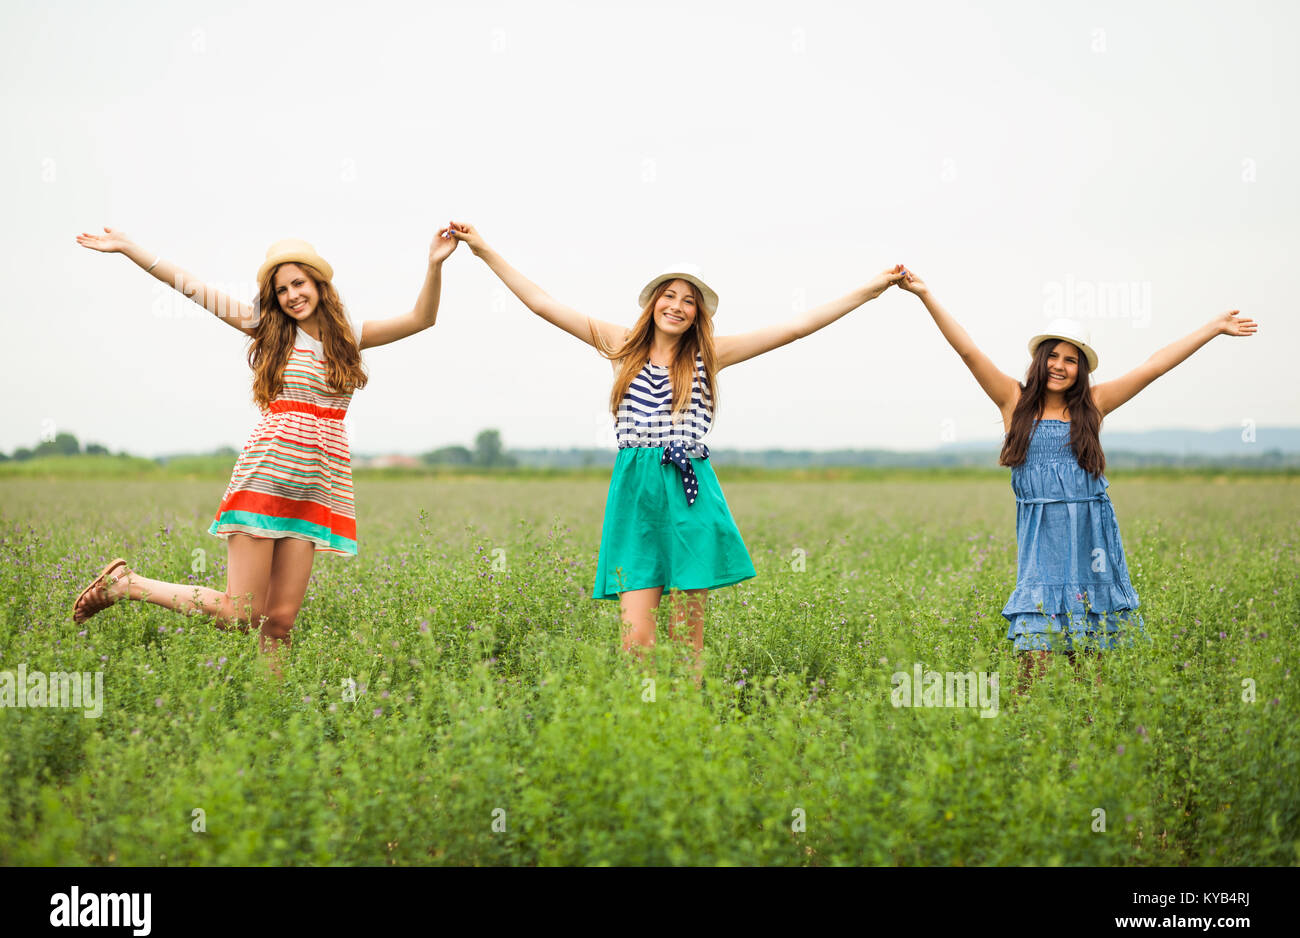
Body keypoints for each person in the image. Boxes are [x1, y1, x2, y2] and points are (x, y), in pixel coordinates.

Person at [448, 220, 903, 678]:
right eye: (671, 295)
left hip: (689, 493)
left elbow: (797, 327)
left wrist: (871, 289)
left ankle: (688, 726)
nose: (679, 306)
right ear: (653, 302)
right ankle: (647, 728)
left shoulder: (709, 356)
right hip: (635, 495)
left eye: (690, 301)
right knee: (637, 640)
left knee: (688, 636)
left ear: (698, 314)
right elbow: (543, 304)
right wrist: (484, 249)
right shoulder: (621, 345)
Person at [70, 226, 458, 673]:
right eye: (281, 289)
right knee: (242, 614)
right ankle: (126, 585)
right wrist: (130, 249)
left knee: (280, 624)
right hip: (267, 477)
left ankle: (271, 723)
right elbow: (195, 288)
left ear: (318, 283)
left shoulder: (348, 336)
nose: (292, 295)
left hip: (316, 490)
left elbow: (422, 318)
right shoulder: (270, 331)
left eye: (299, 283)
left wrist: (434, 264)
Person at [897, 265, 1256, 687]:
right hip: (1040, 543)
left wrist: (1212, 327)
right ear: (1039, 359)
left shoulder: (1094, 405)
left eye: (1071, 359)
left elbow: (1154, 366)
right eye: (1053, 355)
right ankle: (1029, 741)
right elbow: (968, 351)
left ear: (1082, 369)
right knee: (1035, 656)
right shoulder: (1013, 402)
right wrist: (925, 295)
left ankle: (1085, 739)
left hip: (1091, 539)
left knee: (1089, 662)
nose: (1060, 365)